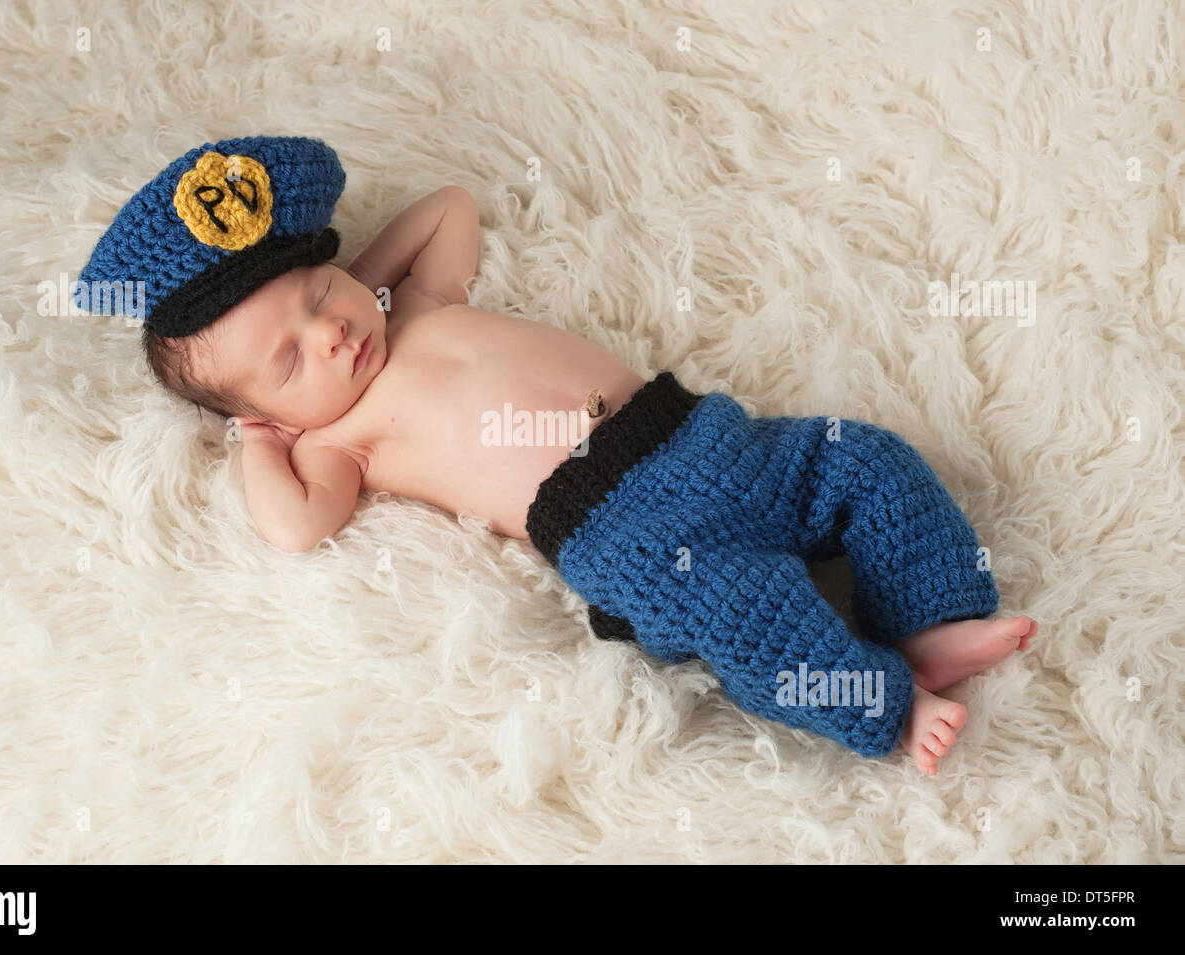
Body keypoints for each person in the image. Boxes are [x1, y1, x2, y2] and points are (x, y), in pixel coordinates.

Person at [78, 135, 1038, 775]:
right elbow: (293, 528)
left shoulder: (406, 307)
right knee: (748, 606)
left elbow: (449, 211)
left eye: (317, 294)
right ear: (265, 413)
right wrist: (262, 436)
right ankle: (883, 701)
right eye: (289, 359)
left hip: (696, 430)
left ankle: (925, 618)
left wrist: (358, 287)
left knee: (866, 460)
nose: (329, 335)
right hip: (622, 523)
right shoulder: (341, 442)